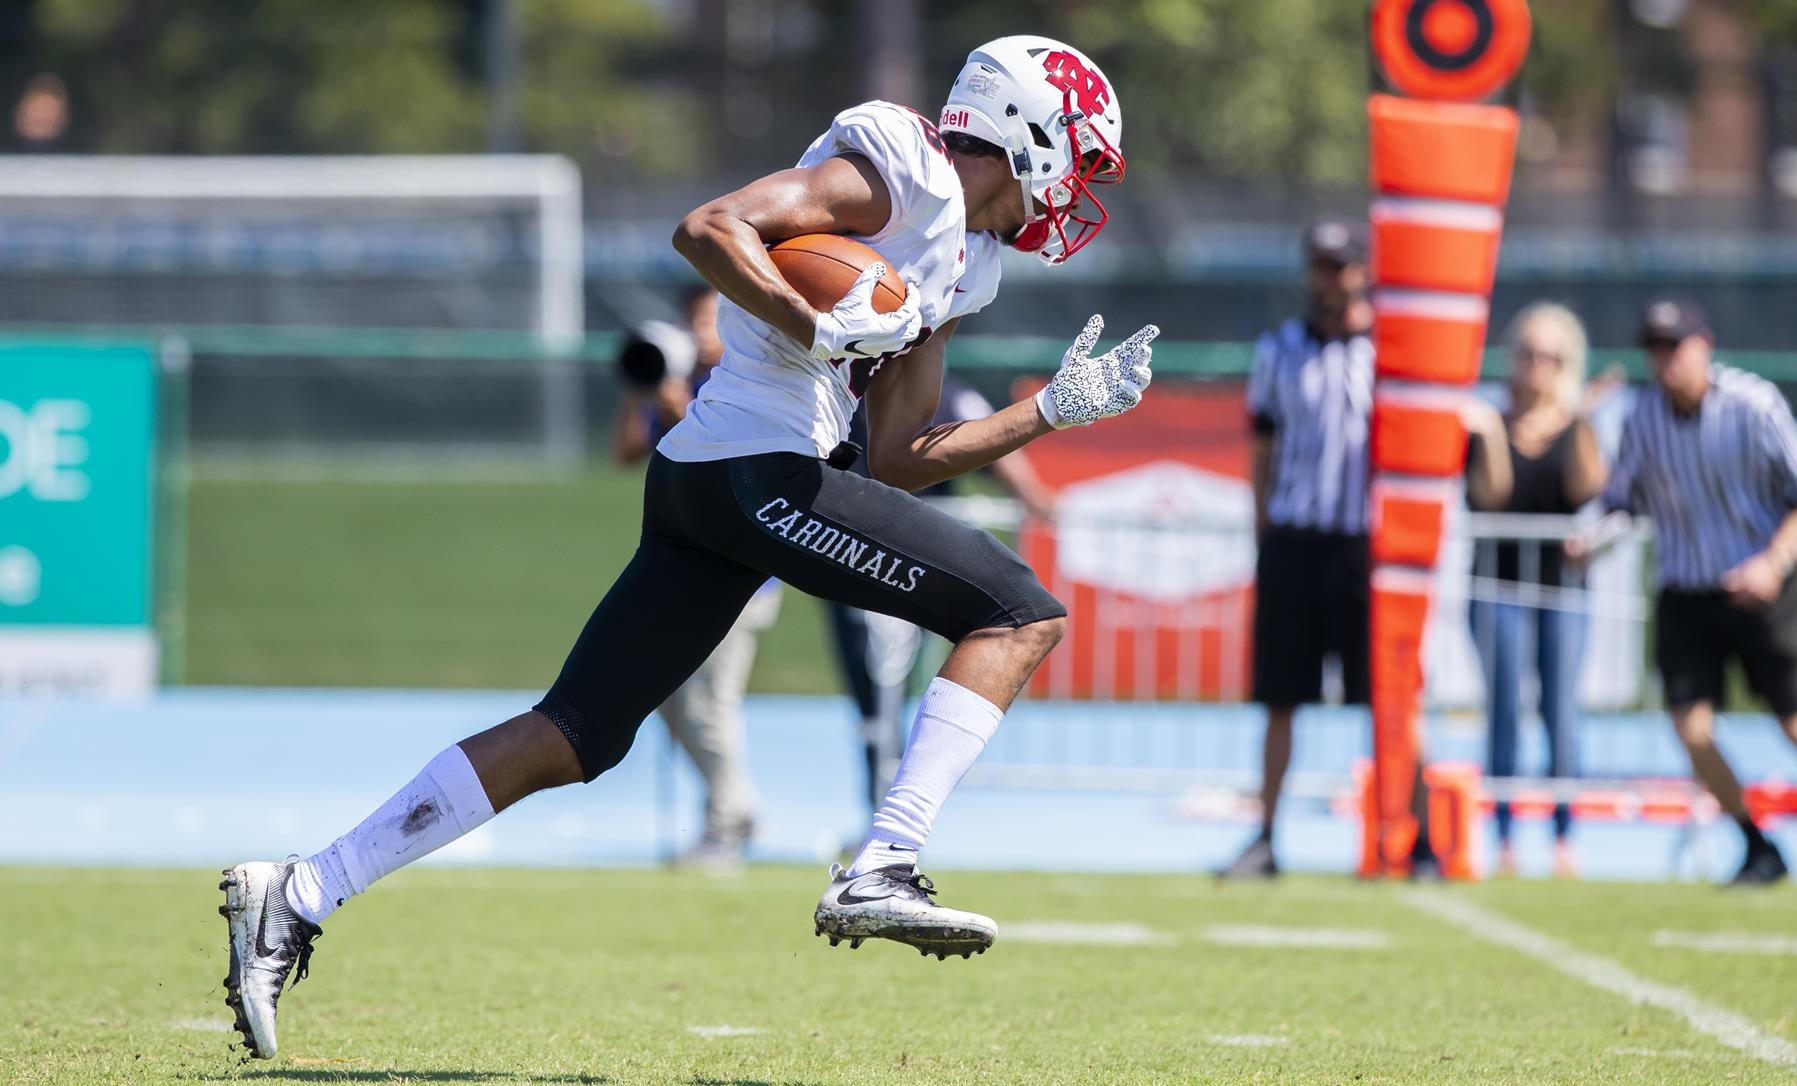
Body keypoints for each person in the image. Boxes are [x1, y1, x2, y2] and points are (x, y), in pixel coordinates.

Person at [218, 34, 1158, 1059]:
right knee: (1020, 612)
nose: (1074, 196)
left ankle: (300, 890)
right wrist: (809, 322)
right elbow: (709, 228)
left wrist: (1049, 412)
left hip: (715, 483)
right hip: (756, 467)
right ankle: (884, 860)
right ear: (1030, 134)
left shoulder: (970, 265)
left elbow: (897, 455)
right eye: (1079, 162)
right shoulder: (901, 167)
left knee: (572, 735)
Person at [1221, 219, 1439, 879]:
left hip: (1364, 551)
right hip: (1293, 541)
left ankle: (1418, 834)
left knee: (1390, 698)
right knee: (1280, 697)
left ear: (1363, 271)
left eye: (1341, 266)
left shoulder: (1391, 352)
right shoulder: (1279, 349)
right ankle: (1264, 838)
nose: (1331, 279)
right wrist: (1263, 529)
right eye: (1321, 266)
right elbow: (1262, 448)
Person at [1568, 298, 1797, 887]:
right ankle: (1755, 842)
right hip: (1686, 591)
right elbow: (1625, 501)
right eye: (1655, 348)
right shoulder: (1644, 418)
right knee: (1691, 728)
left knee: (1792, 722)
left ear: (1704, 346)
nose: (1664, 359)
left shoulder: (1753, 404)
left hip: (1763, 587)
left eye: (1675, 345)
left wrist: (1772, 564)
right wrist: (1592, 540)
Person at [826, 376, 1057, 822]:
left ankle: (898, 818)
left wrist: (1035, 496)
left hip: (912, 568)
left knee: (910, 691)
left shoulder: (942, 390)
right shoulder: (838, 385)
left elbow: (994, 439)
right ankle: (882, 817)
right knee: (873, 702)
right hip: (845, 557)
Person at [614, 285, 782, 872]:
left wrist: (678, 403)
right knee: (660, 696)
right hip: (682, 567)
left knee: (711, 703)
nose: (699, 330)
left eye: (710, 317)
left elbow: (724, 449)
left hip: (741, 577)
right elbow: (626, 453)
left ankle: (723, 830)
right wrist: (644, 392)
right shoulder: (674, 379)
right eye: (692, 319)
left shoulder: (746, 379)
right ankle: (739, 803)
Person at [1462, 302, 1609, 878]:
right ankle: (1500, 838)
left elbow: (1585, 492)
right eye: (1528, 353)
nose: (1538, 366)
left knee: (1560, 712)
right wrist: (1496, 434)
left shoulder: (1578, 423)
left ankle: (1564, 837)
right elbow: (1488, 498)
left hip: (1563, 591)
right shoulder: (1487, 422)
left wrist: (1580, 422)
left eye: (1551, 356)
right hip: (1496, 587)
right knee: (1502, 710)